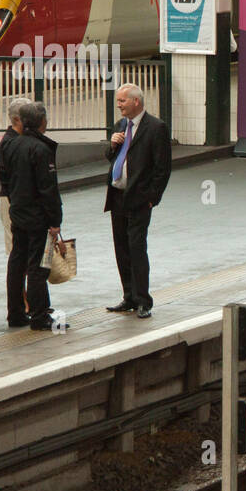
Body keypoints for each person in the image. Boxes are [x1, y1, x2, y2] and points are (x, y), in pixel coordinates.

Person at [104, 83, 171, 319]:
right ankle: (129, 296)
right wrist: (112, 145)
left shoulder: (156, 128)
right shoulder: (121, 125)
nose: (118, 105)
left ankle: (143, 299)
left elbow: (162, 167)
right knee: (121, 248)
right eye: (118, 101)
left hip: (139, 199)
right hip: (117, 196)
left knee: (136, 247)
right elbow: (112, 158)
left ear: (136, 101)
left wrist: (152, 198)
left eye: (122, 101)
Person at [5, 101, 66, 332]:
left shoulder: (11, 145)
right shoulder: (41, 149)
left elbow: (7, 180)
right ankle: (39, 315)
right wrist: (55, 221)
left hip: (18, 212)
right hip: (38, 217)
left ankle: (16, 312)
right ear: (42, 122)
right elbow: (48, 189)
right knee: (38, 266)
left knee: (17, 261)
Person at [0, 97, 31, 325]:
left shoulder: (15, 140)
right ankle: (22, 304)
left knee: (21, 253)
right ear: (18, 119)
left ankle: (25, 302)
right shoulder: (11, 143)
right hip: (12, 201)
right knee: (18, 253)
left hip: (14, 199)